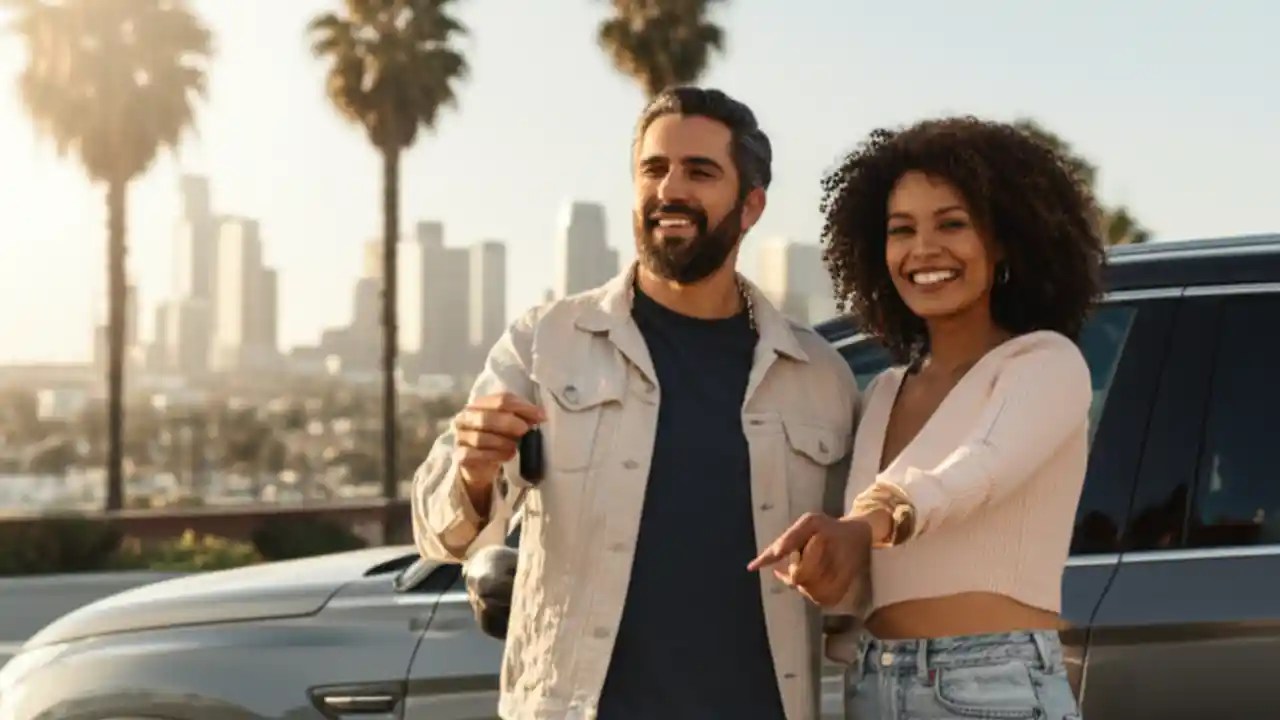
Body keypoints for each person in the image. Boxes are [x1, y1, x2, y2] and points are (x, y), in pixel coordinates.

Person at [411, 86, 859, 720]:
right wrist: (473, 472)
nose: (669, 189)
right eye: (654, 169)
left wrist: (838, 571)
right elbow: (436, 530)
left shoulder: (821, 376)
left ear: (751, 206)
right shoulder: (546, 342)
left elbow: (858, 577)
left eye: (699, 172)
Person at [749, 116, 1104, 720]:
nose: (923, 250)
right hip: (873, 682)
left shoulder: (1044, 363)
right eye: (901, 230)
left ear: (1004, 242)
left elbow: (978, 470)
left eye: (952, 224)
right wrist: (831, 578)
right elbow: (881, 568)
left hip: (993, 685)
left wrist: (870, 521)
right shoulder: (883, 391)